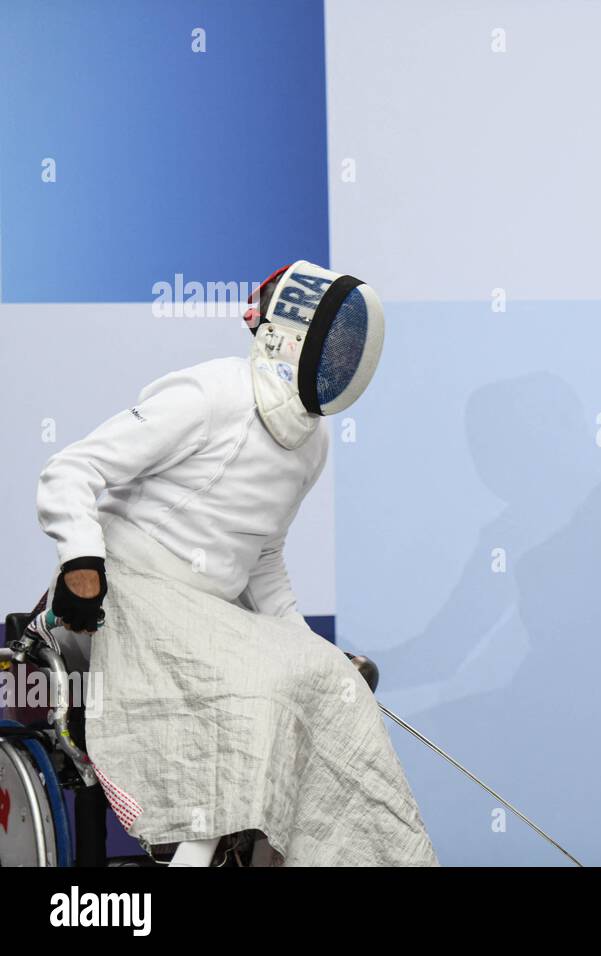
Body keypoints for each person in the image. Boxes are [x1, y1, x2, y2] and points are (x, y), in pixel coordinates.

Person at [36, 261, 437, 867]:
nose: (341, 359)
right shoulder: (210, 393)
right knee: (252, 696)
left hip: (203, 618)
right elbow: (73, 469)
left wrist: (310, 646)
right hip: (123, 594)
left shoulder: (312, 442)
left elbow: (262, 556)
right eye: (334, 342)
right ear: (289, 334)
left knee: (334, 690)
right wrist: (80, 562)